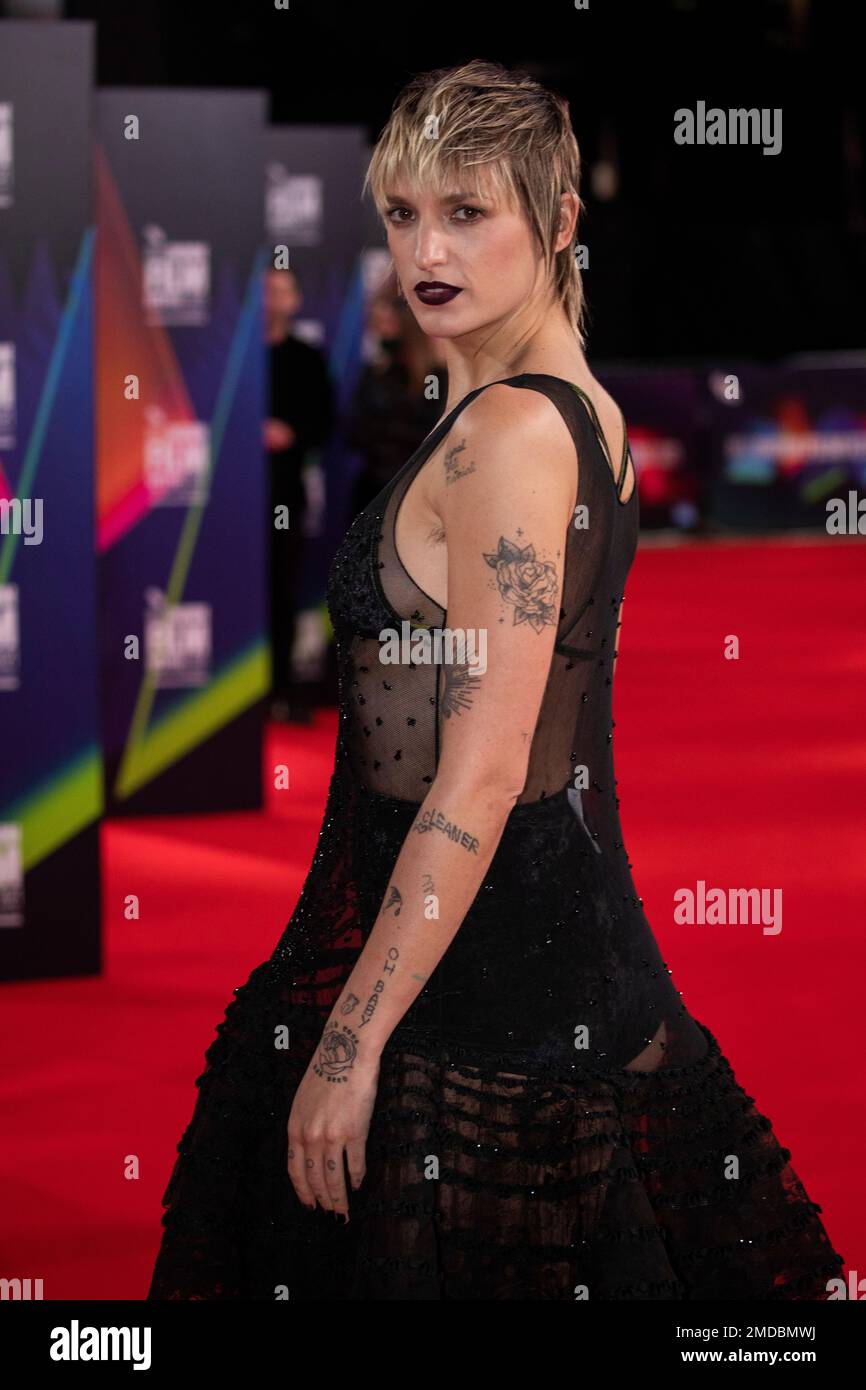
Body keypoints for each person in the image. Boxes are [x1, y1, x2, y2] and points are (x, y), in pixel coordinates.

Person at [148, 60, 844, 1300]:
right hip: (524, 953)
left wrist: (349, 1044)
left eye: (468, 212)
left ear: (560, 222)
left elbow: (478, 770)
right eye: (406, 213)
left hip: (486, 999)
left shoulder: (511, 434)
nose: (427, 248)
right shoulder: (566, 410)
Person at [264, 267, 334, 721]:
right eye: (265, 290)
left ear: (295, 300)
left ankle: (282, 690)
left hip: (285, 493)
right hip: (231, 501)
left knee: (282, 591)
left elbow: (325, 420)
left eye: (282, 290)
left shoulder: (306, 358)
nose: (273, 299)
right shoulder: (237, 359)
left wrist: (289, 434)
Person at [346, 280, 448, 519]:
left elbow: (435, 435)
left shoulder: (437, 377)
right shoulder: (375, 373)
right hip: (374, 491)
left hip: (419, 495)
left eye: (386, 322)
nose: (379, 329)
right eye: (376, 323)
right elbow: (353, 430)